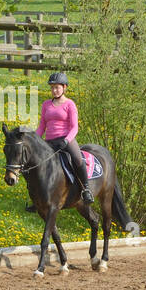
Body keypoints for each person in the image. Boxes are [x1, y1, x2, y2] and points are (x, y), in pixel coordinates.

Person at [37, 71, 93, 205]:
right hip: (49, 141)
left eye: (57, 87)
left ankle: (86, 189)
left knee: (78, 159)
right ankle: (38, 195)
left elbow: (75, 127)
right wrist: (36, 139)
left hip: (65, 140)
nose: (54, 90)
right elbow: (41, 126)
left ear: (64, 87)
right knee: (36, 162)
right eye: (52, 87)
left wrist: (66, 140)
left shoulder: (70, 104)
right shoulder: (46, 105)